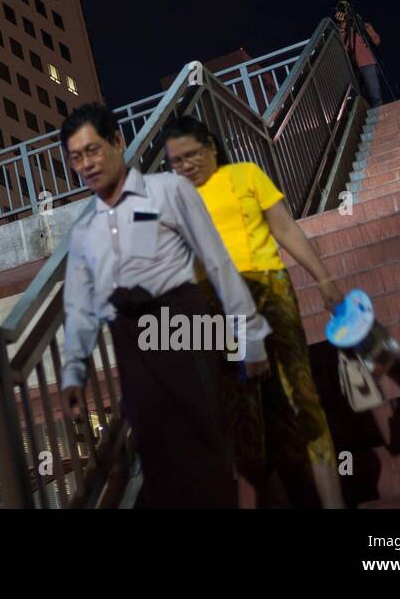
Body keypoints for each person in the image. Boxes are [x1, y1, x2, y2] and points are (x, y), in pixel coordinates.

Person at [58, 103, 273, 508]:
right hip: (131, 343)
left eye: (93, 150)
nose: (86, 164)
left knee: (208, 442)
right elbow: (80, 308)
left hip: (183, 324)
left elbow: (217, 261)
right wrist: (73, 371)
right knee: (159, 460)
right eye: (76, 157)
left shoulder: (168, 191)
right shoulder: (84, 233)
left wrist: (252, 338)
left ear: (118, 141)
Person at [163, 116, 346, 508]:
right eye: (175, 162)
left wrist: (324, 278)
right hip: (213, 308)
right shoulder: (174, 202)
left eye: (191, 155)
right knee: (243, 416)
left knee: (303, 395)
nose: (184, 167)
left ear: (211, 145)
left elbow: (286, 230)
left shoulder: (245, 175)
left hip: (269, 290)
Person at [333, 0, 384, 108]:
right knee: (359, 98)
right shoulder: (343, 29)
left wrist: (363, 26)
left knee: (375, 96)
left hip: (367, 63)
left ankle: (379, 118)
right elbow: (342, 46)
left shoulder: (361, 25)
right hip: (353, 67)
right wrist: (342, 26)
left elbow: (376, 40)